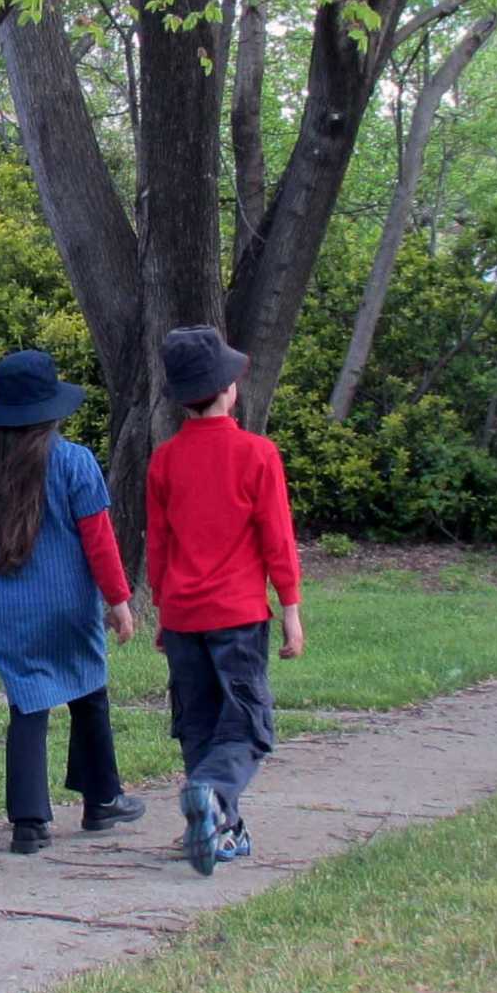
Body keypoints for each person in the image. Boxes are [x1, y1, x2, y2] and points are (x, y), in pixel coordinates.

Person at [0, 350, 146, 854]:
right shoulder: (76, 462)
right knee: (89, 694)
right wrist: (119, 600)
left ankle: (29, 823)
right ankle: (101, 799)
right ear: (52, 409)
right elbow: (99, 541)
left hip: (14, 615)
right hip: (71, 610)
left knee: (27, 710)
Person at [145, 324, 305, 876]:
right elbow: (276, 538)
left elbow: (159, 545)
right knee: (247, 723)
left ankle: (223, 827)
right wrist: (289, 609)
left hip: (185, 614)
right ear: (228, 389)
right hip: (238, 614)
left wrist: (165, 612)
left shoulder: (164, 461)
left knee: (198, 722)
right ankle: (211, 792)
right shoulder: (258, 454)